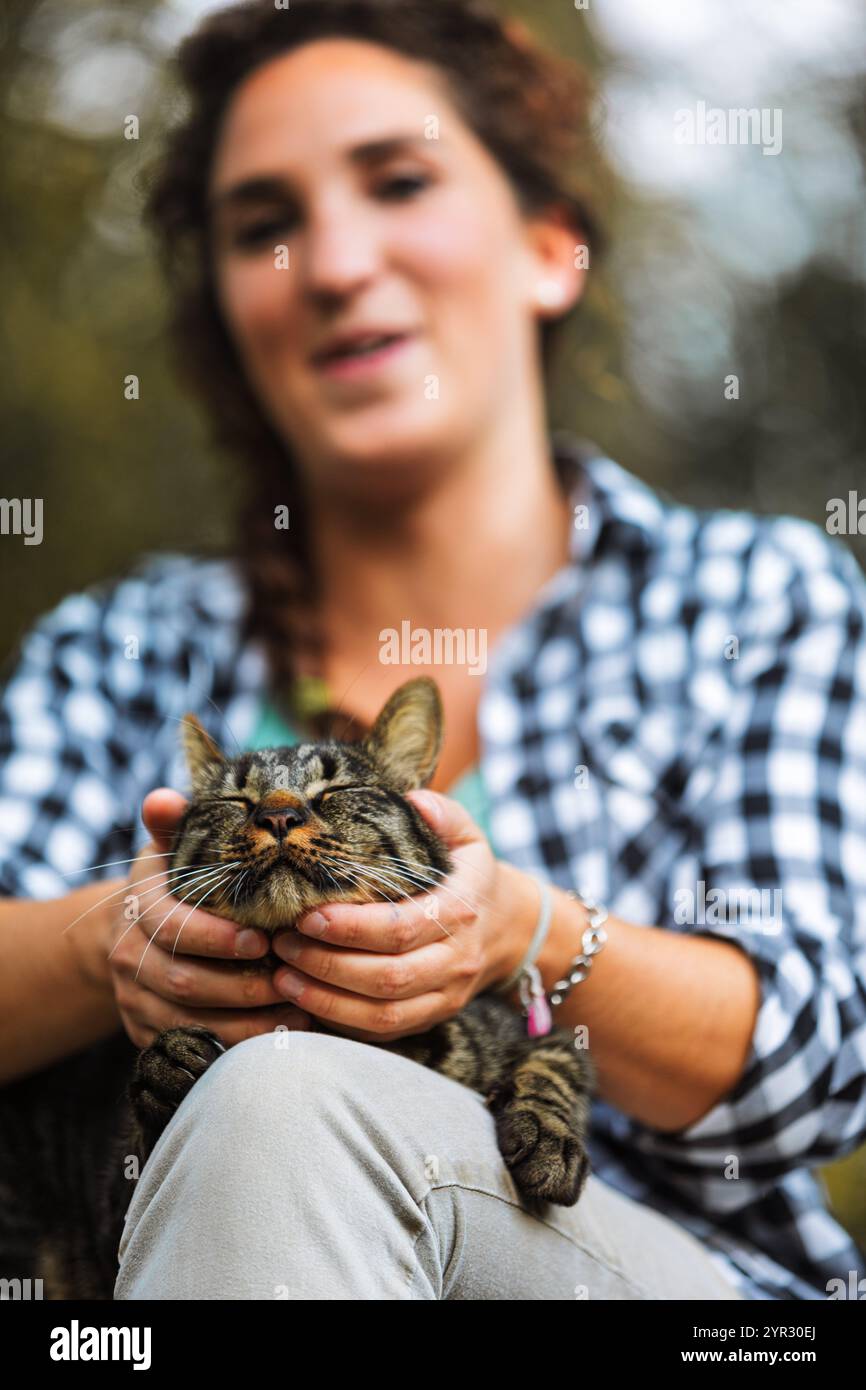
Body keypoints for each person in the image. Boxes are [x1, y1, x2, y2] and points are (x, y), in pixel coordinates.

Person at [1, 0, 865, 1301]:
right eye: (264, 225)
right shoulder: (117, 652)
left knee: (281, 1101)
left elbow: (819, 1068)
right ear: (231, 308)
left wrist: (520, 930)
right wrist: (111, 937)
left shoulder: (753, 597)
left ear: (548, 246)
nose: (335, 260)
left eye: (397, 180)